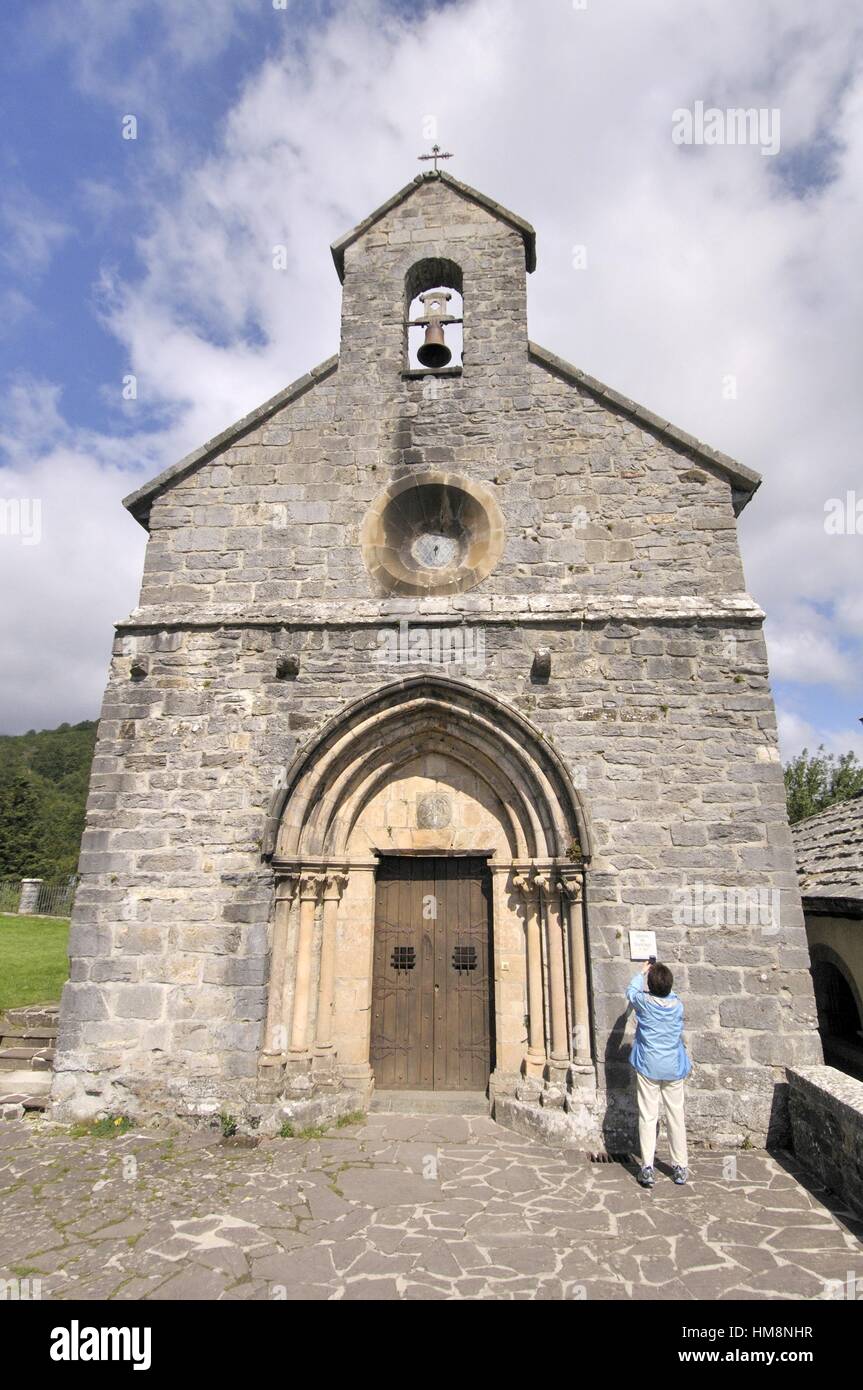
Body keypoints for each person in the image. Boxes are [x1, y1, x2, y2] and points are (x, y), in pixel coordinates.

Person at [626, 957, 692, 1188]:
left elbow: (631, 991)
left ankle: (647, 1167)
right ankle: (680, 1167)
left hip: (649, 1066)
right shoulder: (677, 1005)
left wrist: (642, 971)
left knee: (648, 1115)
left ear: (651, 985)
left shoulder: (643, 1002)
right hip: (673, 1067)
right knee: (676, 1116)